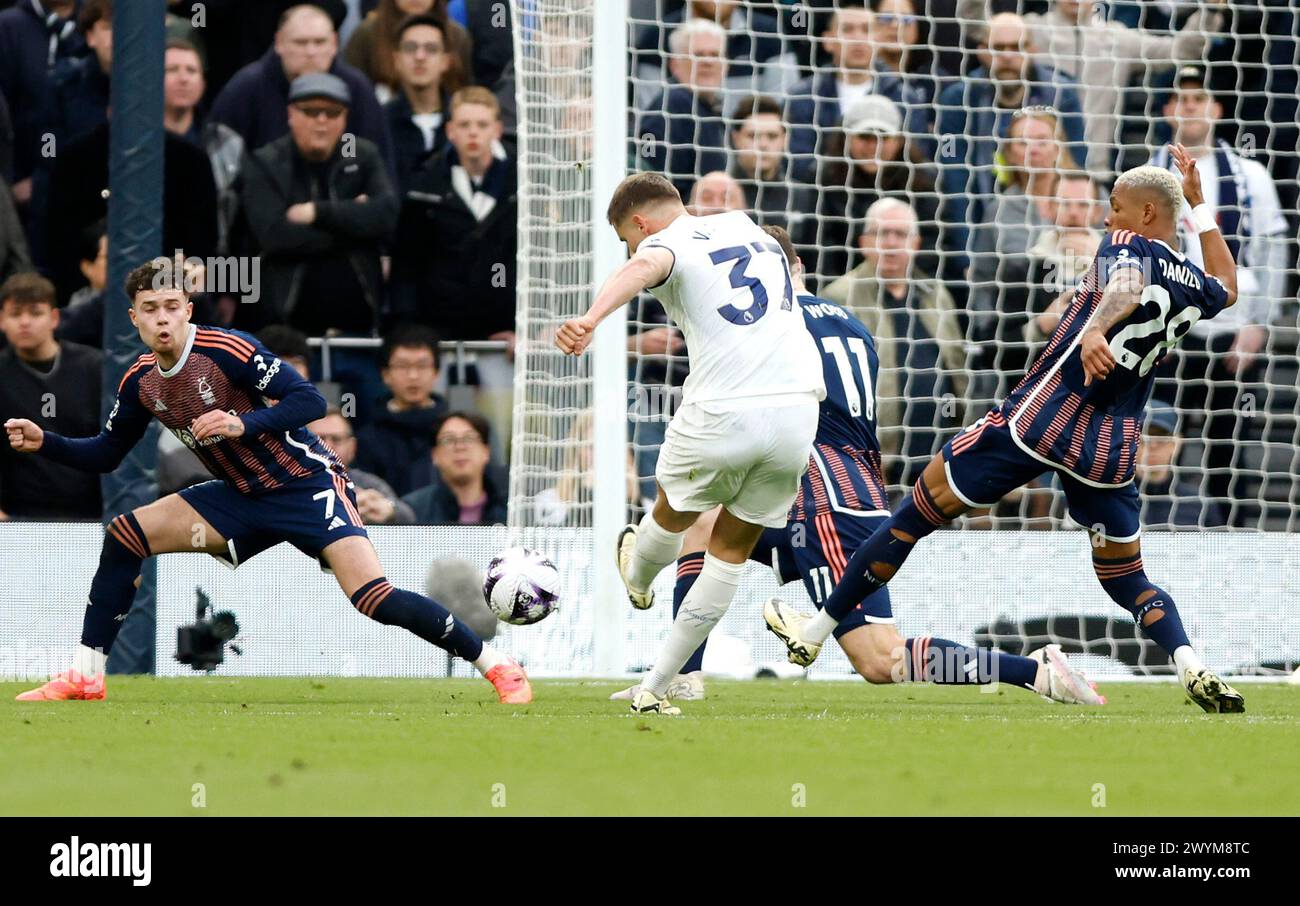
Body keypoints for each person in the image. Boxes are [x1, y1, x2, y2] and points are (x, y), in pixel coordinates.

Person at [765, 152, 1247, 714]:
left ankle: (816, 629)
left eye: (1114, 209)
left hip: (1043, 419)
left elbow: (1127, 284)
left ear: (1143, 213)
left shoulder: (1126, 247)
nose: (1106, 220)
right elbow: (1228, 285)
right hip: (1111, 448)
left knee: (916, 511)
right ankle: (1190, 661)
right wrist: (1199, 207)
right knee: (1125, 573)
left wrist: (1094, 327)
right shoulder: (1193, 280)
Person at [612, 225, 1100, 705]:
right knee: (702, 528)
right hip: (842, 486)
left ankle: (1033, 672)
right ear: (799, 267)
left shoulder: (771, 326)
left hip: (826, 501)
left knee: (880, 660)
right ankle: (682, 677)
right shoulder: (853, 323)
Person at [6, 258, 530, 704]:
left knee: (374, 598)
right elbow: (106, 453)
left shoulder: (227, 349)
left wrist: (242, 422)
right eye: (150, 309)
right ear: (134, 318)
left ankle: (497, 664)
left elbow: (308, 399)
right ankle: (85, 675)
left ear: (188, 310)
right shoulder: (140, 381)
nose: (162, 319)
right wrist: (44, 440)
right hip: (242, 496)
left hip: (308, 486)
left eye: (172, 307)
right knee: (124, 533)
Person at [555, 172, 824, 715]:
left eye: (625, 236)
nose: (632, 245)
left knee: (674, 514)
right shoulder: (749, 228)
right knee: (729, 550)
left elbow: (643, 266)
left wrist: (590, 319)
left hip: (725, 407)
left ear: (639, 222)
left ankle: (636, 572)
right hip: (799, 408)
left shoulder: (661, 242)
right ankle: (657, 684)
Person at [1147, 66, 1288, 516]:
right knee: (1155, 438)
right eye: (1181, 99)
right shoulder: (1147, 175)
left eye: (1199, 98)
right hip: (1168, 335)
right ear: (1169, 110)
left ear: (1216, 108)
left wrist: (1259, 323)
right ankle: (1155, 528)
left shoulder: (1251, 175)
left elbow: (1272, 251)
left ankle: (1230, 533)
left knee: (1228, 445)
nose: (1190, 106)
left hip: (1231, 332)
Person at [237, 72, 398, 335]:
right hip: (285, 327)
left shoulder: (361, 154)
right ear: (291, 114)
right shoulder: (266, 161)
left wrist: (317, 212)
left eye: (332, 112)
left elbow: (386, 215)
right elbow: (273, 235)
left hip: (359, 328)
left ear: (344, 117)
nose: (322, 121)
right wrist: (355, 224)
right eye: (311, 112)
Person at [823, 199, 966, 487]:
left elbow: (957, 367)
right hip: (876, 458)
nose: (890, 243)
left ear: (915, 243)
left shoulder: (935, 294)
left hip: (941, 455)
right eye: (881, 233)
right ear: (863, 242)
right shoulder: (839, 297)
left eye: (900, 234)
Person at [933, 13, 1086, 276]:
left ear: (1032, 50)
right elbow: (954, 177)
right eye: (997, 48)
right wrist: (967, 253)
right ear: (981, 51)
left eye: (1015, 47)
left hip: (1050, 218)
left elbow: (1076, 169)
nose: (1006, 56)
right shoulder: (956, 99)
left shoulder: (1063, 95)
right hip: (984, 215)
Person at [1025, 0, 1225, 175]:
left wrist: (1210, 10)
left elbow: (1178, 51)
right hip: (1036, 170)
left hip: (1094, 174)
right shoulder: (1030, 31)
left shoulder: (1116, 38)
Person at [389, 87, 515, 342]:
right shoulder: (423, 187)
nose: (473, 132)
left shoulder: (526, 184)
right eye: (464, 124)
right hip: (438, 332)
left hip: (505, 333)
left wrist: (524, 330)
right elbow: (406, 266)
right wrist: (410, 332)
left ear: (497, 130)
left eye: (482, 124)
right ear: (450, 131)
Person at [209, 4, 393, 171]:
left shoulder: (357, 90)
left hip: (342, 203)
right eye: (301, 43)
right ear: (279, 43)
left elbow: (381, 171)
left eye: (320, 42)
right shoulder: (245, 89)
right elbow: (220, 168)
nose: (311, 52)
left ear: (334, 44)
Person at [0, 272, 102, 520]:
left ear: (54, 318)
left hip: (91, 512)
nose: (25, 322)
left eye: (35, 312)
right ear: (2, 320)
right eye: (15, 314)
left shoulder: (94, 366)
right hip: (18, 515)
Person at [810, 93, 941, 283]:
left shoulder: (923, 182)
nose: (873, 146)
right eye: (865, 136)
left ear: (899, 141)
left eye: (883, 137)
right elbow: (822, 251)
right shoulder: (823, 181)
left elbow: (933, 246)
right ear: (846, 138)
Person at [163, 38, 246, 256]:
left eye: (191, 71)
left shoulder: (226, 142)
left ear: (202, 83)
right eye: (172, 70)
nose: (183, 78)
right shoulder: (137, 144)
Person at [633, 17, 729, 199]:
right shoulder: (672, 108)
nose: (708, 62)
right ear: (674, 65)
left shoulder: (703, 107)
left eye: (715, 54)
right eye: (698, 54)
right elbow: (659, 188)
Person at [785, 0, 876, 182]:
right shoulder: (802, 97)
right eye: (848, 30)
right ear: (827, 41)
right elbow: (799, 165)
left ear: (878, 39)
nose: (858, 38)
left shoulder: (903, 97)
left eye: (866, 30)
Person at [354, 324, 448, 496]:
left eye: (422, 365)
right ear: (385, 374)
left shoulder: (451, 432)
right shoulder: (368, 438)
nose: (413, 375)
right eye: (402, 366)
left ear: (436, 372)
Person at [344, 0, 470, 103]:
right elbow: (353, 89)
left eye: (431, 49)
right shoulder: (367, 33)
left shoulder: (456, 35)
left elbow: (467, 88)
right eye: (410, 48)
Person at [725, 94, 815, 238]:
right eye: (753, 136)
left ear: (785, 139)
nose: (763, 145)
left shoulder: (803, 196)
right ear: (736, 138)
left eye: (772, 136)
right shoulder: (717, 192)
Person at [308, 407, 415, 524]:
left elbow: (408, 515)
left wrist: (388, 509)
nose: (327, 446)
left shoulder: (367, 484)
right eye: (319, 439)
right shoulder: (288, 482)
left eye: (336, 439)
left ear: (352, 447)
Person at [384, 13, 453, 194]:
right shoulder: (379, 122)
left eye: (431, 49)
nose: (420, 56)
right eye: (410, 48)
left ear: (446, 61)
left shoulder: (463, 120)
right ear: (396, 60)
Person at [401, 411, 507, 525]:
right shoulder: (412, 510)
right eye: (448, 440)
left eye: (469, 438)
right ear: (434, 455)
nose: (460, 447)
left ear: (486, 452)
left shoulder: (510, 511)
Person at [1136, 405, 1226, 530]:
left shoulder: (1200, 504)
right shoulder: (1114, 501)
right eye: (1144, 438)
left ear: (1176, 444)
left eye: (1161, 438)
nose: (1152, 446)